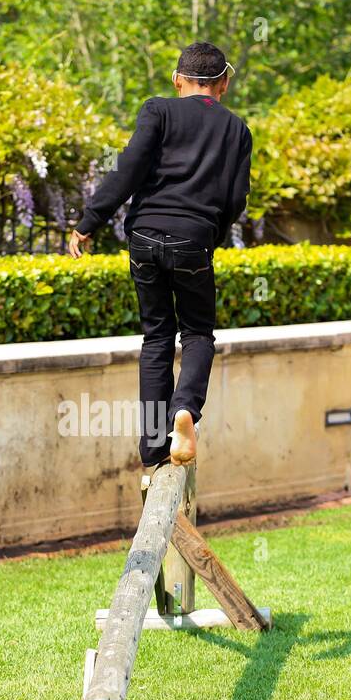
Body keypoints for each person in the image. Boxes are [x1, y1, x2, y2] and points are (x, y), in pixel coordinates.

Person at [68, 42, 252, 468]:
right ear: (223, 83)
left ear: (177, 79)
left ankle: (153, 447)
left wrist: (88, 222)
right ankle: (184, 410)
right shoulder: (237, 129)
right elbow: (235, 198)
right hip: (195, 239)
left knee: (156, 336)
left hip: (145, 237)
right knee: (198, 333)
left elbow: (127, 169)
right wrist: (211, 235)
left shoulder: (158, 110)